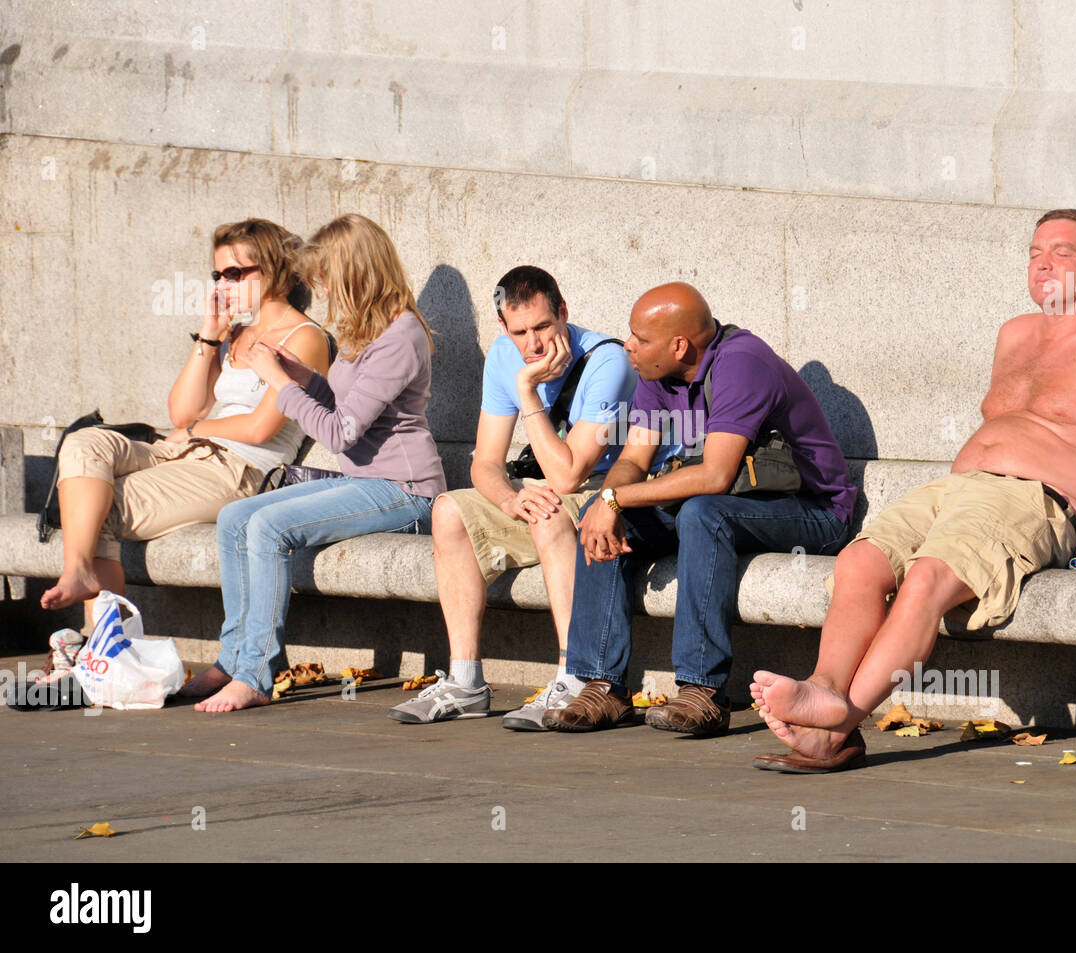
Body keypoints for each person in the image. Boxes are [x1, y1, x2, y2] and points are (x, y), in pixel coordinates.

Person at [750, 209, 1076, 772]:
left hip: (1034, 500)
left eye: (1062, 253)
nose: (1043, 264)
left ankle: (838, 723)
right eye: (1035, 253)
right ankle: (823, 689)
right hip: (958, 489)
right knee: (860, 563)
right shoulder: (1015, 334)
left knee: (927, 580)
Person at [542, 282, 858, 737]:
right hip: (736, 503)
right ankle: (602, 685)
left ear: (679, 345)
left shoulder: (742, 364)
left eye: (640, 338)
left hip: (814, 512)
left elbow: (714, 476)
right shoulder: (657, 373)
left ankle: (702, 691)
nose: (628, 345)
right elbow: (632, 460)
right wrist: (606, 504)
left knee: (702, 514)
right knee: (602, 515)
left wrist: (613, 498)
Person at [387, 266, 674, 728]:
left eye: (543, 326)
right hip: (547, 486)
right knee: (449, 510)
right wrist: (506, 500)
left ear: (563, 313)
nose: (534, 344)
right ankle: (465, 682)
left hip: (611, 494)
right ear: (503, 327)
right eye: (520, 331)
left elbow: (568, 475)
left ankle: (574, 678)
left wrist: (527, 392)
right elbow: (484, 464)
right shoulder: (503, 355)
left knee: (550, 511)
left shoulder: (607, 362)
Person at [182, 213, 446, 712]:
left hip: (409, 492)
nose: (321, 290)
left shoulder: (401, 336)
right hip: (367, 481)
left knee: (269, 528)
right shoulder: (365, 328)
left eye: (326, 278)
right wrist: (298, 372)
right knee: (237, 517)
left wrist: (279, 385)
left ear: (354, 272)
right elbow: (340, 404)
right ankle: (235, 656)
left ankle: (257, 674)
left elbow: (340, 432)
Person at [38, 219, 331, 635]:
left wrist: (198, 430)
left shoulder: (306, 338)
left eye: (235, 273)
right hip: (186, 453)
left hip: (240, 471)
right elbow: (180, 412)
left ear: (274, 270)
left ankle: (98, 644)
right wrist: (210, 337)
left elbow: (260, 427)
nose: (222, 285)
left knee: (98, 505)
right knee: (85, 445)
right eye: (218, 274)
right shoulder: (237, 332)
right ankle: (81, 576)